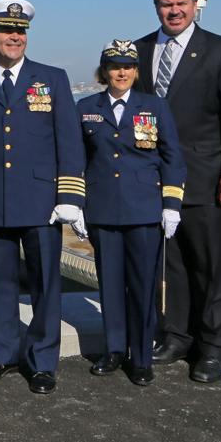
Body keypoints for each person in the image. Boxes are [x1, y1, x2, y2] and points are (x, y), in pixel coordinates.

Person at [136, 0, 221, 383]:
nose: (174, 11)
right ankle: (179, 336)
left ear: (194, 6)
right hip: (156, 179)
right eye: (167, 5)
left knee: (212, 264)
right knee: (175, 264)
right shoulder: (140, 49)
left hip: (207, 177)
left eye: (181, 4)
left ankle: (215, 345)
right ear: (156, 7)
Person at [0, 0, 86, 395]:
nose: (13, 37)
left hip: (41, 203)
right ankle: (1, 354)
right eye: (5, 31)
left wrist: (70, 196)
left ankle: (43, 362)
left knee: (45, 285)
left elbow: (69, 140)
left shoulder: (52, 78)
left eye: (20, 32)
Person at [78, 39, 187, 387]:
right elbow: (77, 160)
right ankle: (113, 350)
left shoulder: (155, 106)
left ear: (136, 71)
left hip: (144, 210)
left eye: (127, 66)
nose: (121, 72)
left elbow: (172, 157)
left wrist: (171, 205)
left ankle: (141, 357)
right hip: (103, 210)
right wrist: (77, 203)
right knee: (109, 285)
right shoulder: (86, 108)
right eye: (114, 66)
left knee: (143, 286)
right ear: (103, 70)